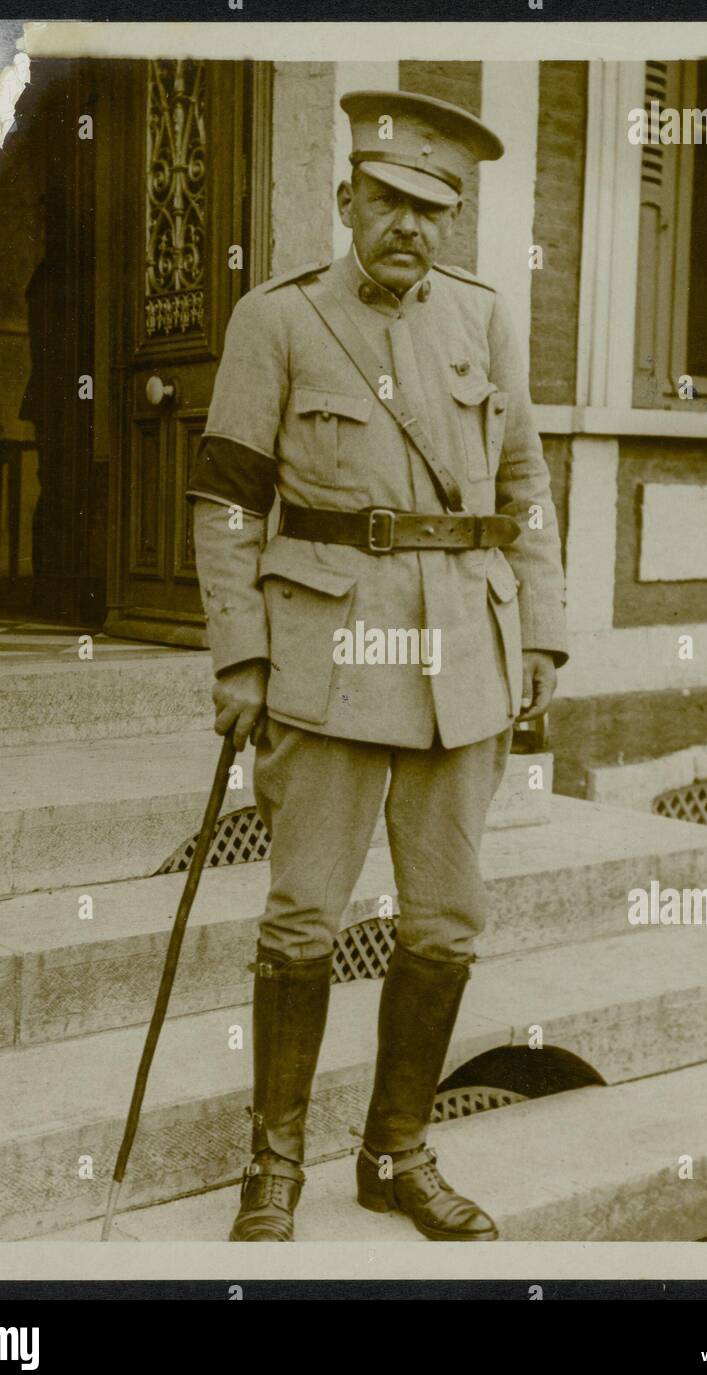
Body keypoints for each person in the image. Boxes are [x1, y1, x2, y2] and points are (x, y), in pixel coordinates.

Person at [187, 89, 568, 1242]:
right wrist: (241, 658)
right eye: (389, 199)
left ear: (451, 220)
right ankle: (274, 1163)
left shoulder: (484, 319)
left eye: (432, 208)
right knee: (302, 918)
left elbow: (524, 488)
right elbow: (224, 502)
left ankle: (395, 1151)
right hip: (326, 652)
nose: (409, 224)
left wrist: (541, 632)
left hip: (465, 653)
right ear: (347, 197)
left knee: (445, 923)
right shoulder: (279, 318)